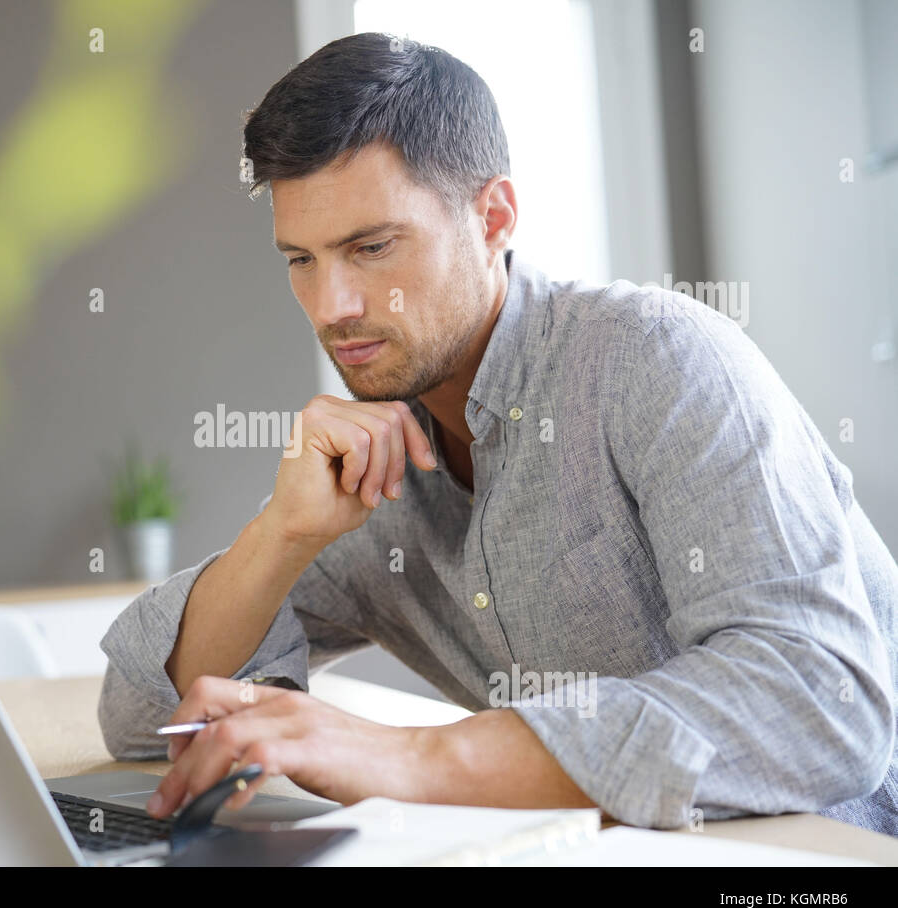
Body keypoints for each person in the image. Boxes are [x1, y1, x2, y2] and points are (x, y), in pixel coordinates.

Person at [97, 32, 898, 835]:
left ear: (494, 217)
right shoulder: (370, 465)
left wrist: (410, 758)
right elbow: (140, 715)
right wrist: (281, 535)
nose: (332, 304)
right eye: (300, 259)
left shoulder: (655, 359)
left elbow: (816, 701)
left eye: (371, 247)